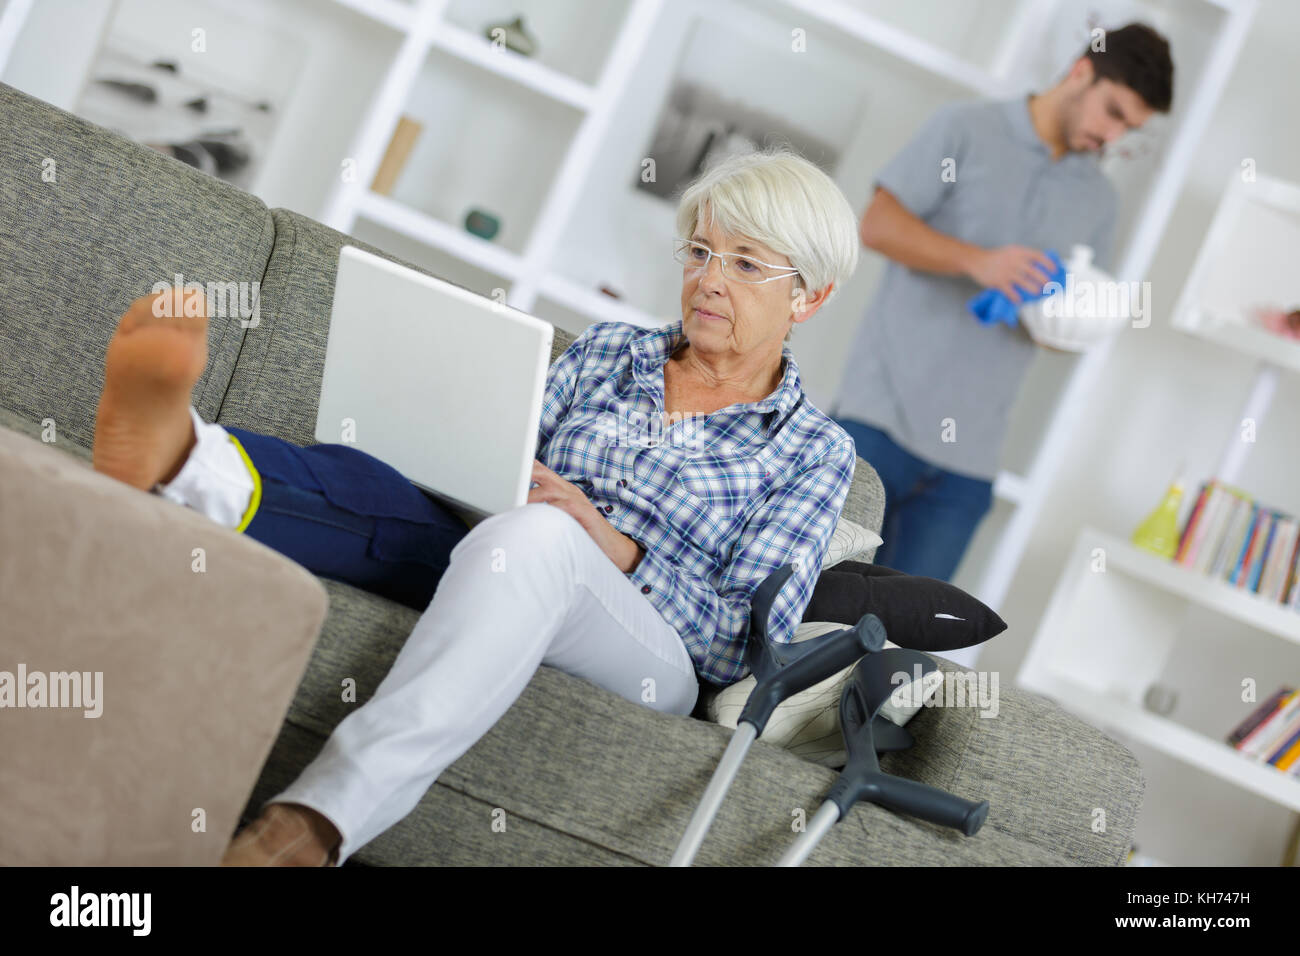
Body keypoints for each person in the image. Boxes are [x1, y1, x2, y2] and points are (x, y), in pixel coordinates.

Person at [89, 146, 861, 866]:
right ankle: (184, 456)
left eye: (745, 263)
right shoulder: (611, 351)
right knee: (381, 488)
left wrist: (608, 541)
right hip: (510, 557)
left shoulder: (814, 452)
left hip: (650, 651)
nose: (708, 279)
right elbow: (507, 465)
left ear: (810, 296)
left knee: (541, 538)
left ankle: (314, 824)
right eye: (699, 251)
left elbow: (740, 647)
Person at [832, 22, 1174, 586]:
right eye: (1113, 112)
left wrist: (1065, 322)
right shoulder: (964, 128)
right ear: (1081, 72)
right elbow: (876, 226)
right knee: (807, 613)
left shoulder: (1099, 200)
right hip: (876, 424)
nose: (1112, 137)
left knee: (904, 655)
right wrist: (979, 261)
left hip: (968, 468)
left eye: (1130, 128)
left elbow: (1060, 326)